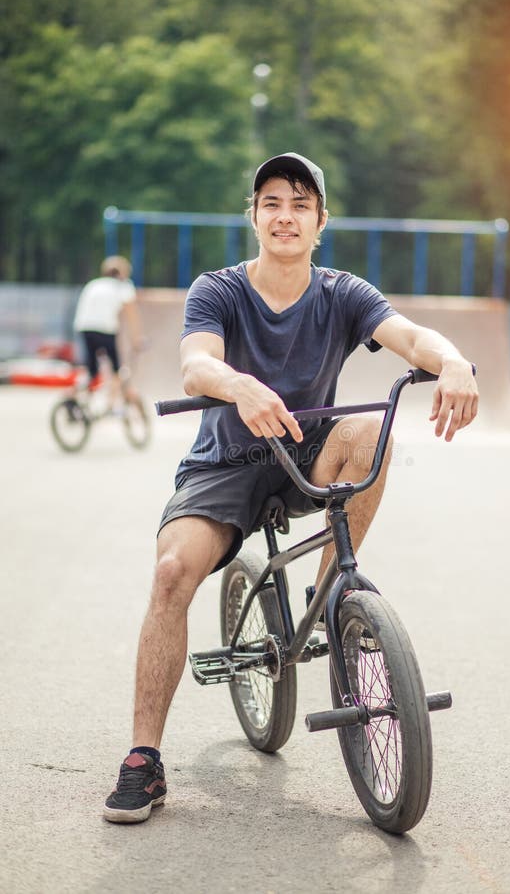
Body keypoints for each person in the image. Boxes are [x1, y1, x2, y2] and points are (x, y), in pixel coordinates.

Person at [103, 152, 478, 823]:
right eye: (272, 202)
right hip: (226, 464)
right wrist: (237, 384)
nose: (285, 215)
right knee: (169, 573)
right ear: (254, 217)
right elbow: (196, 364)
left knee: (370, 430)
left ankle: (335, 593)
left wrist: (452, 361)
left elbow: (410, 335)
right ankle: (143, 760)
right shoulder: (218, 289)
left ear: (320, 222)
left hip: (304, 450)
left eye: (299, 204)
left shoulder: (342, 293)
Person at [71, 255, 144, 409]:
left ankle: (75, 397)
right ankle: (111, 404)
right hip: (105, 329)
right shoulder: (123, 286)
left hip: (84, 328)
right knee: (117, 369)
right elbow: (132, 315)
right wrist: (136, 338)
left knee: (91, 370)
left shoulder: (93, 284)